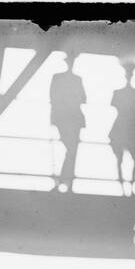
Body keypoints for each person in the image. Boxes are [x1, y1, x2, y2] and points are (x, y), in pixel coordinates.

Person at [49, 55, 86, 192]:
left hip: (67, 118)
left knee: (71, 151)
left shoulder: (61, 78)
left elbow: (53, 97)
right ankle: (66, 181)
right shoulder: (70, 79)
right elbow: (83, 98)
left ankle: (64, 181)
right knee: (71, 150)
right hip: (68, 118)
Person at [108, 62, 135, 195]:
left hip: (129, 126)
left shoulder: (130, 92)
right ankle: (124, 186)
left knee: (131, 158)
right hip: (125, 126)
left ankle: (128, 186)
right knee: (122, 158)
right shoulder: (125, 92)